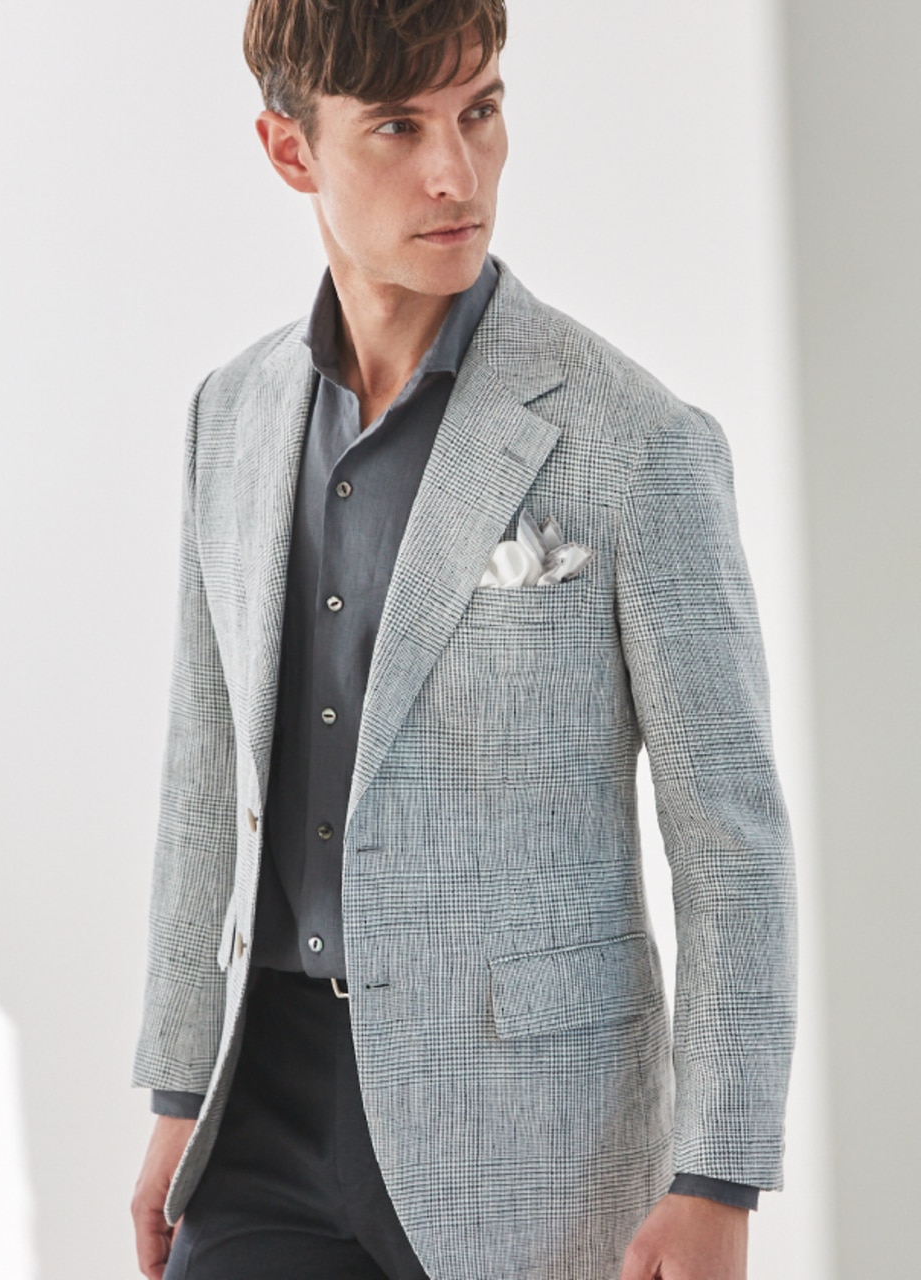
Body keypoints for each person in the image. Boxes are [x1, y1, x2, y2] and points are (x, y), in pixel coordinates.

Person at [129, 2, 798, 1277]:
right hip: (263, 1111)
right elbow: (201, 772)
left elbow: (730, 838)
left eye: (478, 112)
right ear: (289, 150)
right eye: (396, 127)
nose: (456, 172)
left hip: (532, 1140)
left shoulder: (634, 440)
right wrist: (176, 1087)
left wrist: (716, 1174)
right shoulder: (232, 416)